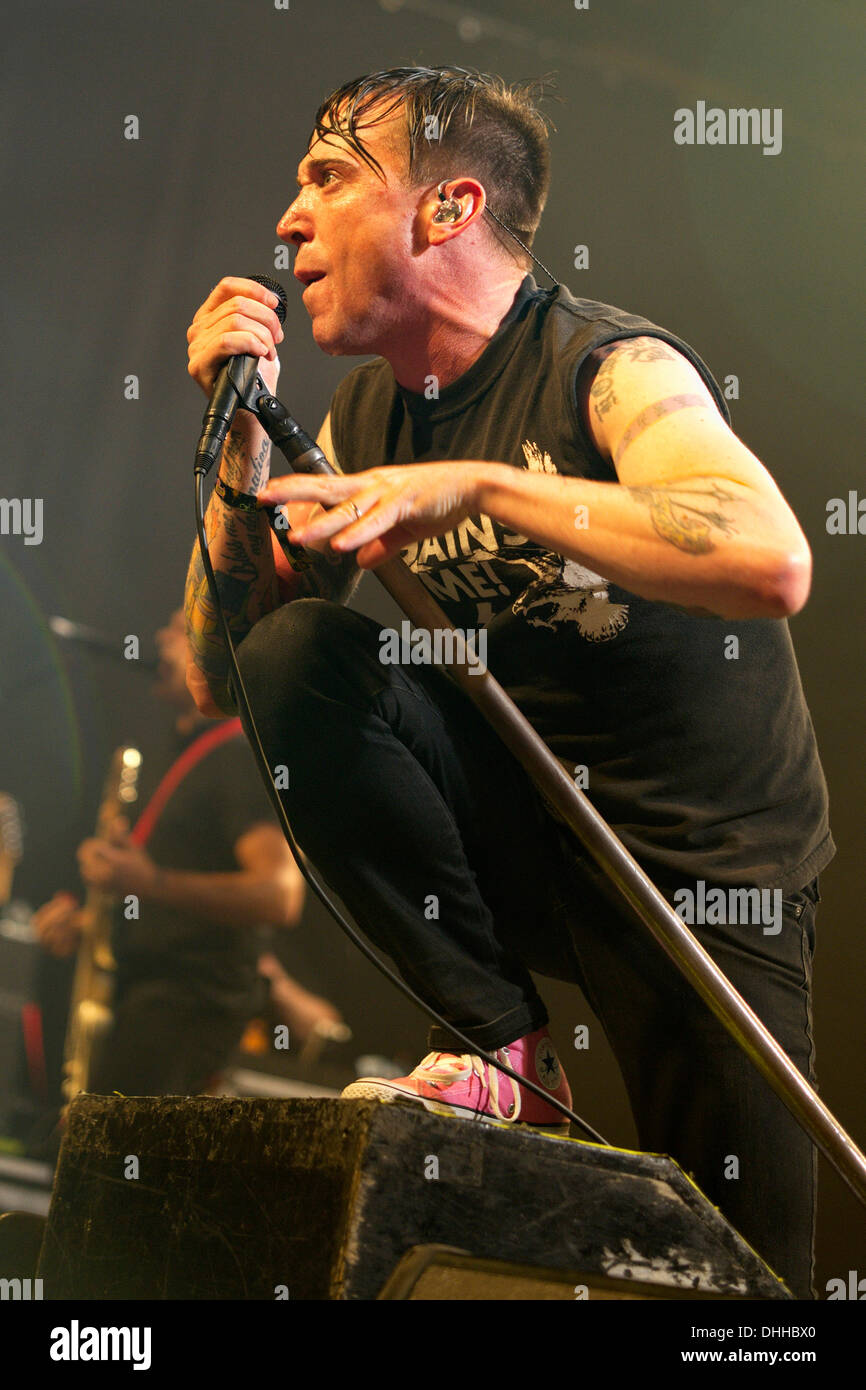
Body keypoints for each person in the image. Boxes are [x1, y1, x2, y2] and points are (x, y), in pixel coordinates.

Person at [182, 66, 833, 1298]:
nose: (287, 220)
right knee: (299, 652)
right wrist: (238, 455)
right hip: (527, 830)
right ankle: (499, 1045)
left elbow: (769, 556)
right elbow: (236, 678)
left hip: (702, 880)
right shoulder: (373, 411)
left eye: (327, 178)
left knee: (739, 1288)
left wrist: (476, 486)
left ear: (444, 210)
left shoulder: (607, 366)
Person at [35, 610, 342, 1097]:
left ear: (224, 655)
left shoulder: (241, 753)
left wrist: (146, 882)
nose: (158, 637)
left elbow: (279, 895)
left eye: (180, 629)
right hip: (144, 1000)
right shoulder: (188, 754)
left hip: (184, 1010)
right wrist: (91, 924)